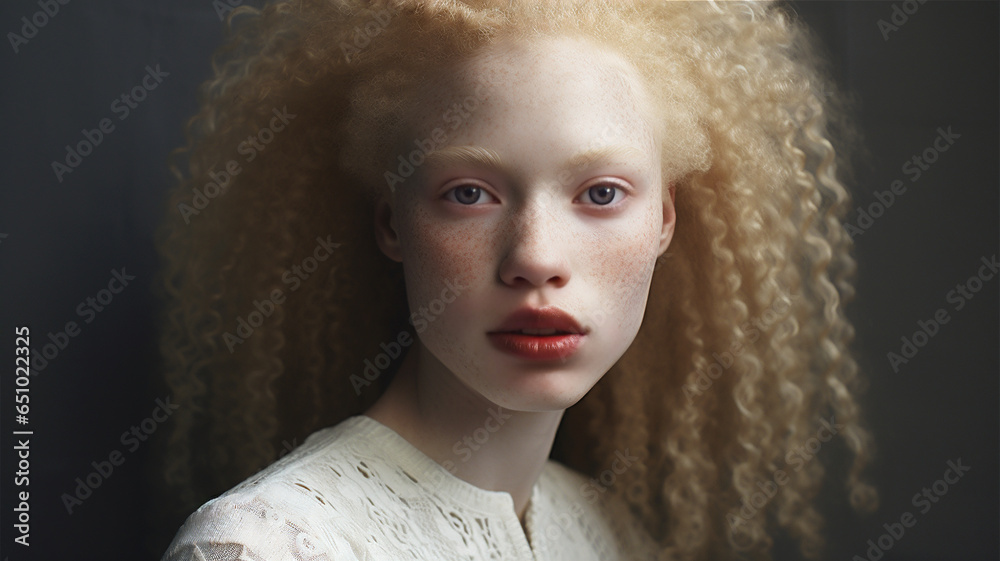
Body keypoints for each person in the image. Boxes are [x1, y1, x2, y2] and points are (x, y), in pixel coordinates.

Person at [155, 1, 877, 559]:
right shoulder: (264, 546)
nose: (535, 257)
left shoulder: (612, 537)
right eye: (469, 192)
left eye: (599, 194)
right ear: (391, 223)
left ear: (664, 220)